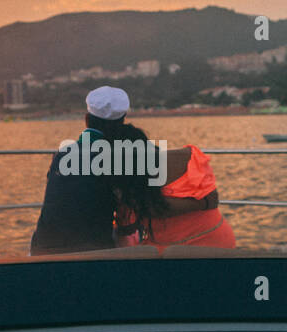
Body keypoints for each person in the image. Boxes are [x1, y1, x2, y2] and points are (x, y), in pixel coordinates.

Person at [28, 86, 128, 255]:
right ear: (121, 123)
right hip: (91, 253)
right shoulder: (119, 159)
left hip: (41, 249)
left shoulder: (61, 155)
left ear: (86, 118)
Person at [109, 124, 236, 251]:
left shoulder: (129, 189)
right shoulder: (188, 157)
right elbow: (212, 199)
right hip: (219, 242)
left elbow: (127, 230)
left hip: (172, 252)